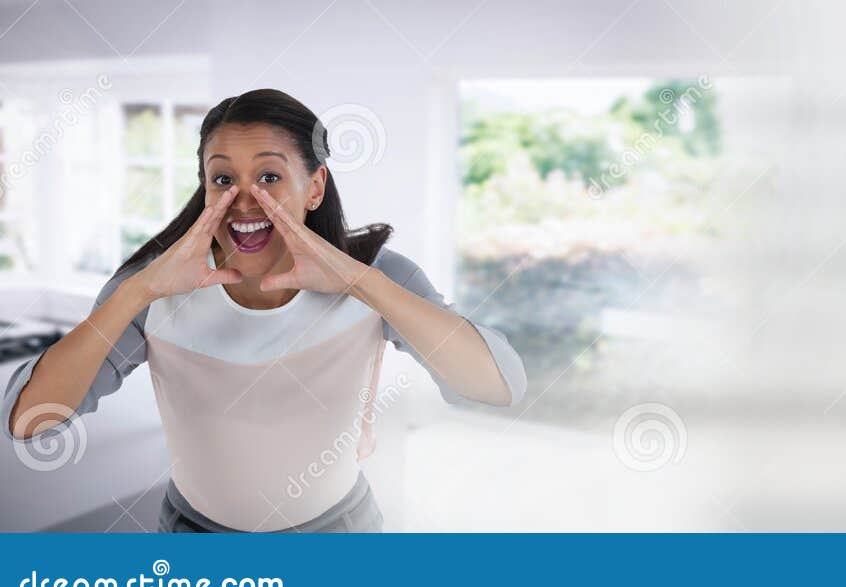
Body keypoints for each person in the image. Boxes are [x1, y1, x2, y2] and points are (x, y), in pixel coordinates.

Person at [3, 89, 527, 532]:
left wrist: (358, 282)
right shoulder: (152, 284)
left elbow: (497, 386)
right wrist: (136, 294)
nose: (245, 200)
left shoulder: (377, 276)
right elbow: (28, 421)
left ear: (315, 186)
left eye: (270, 177)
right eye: (223, 179)